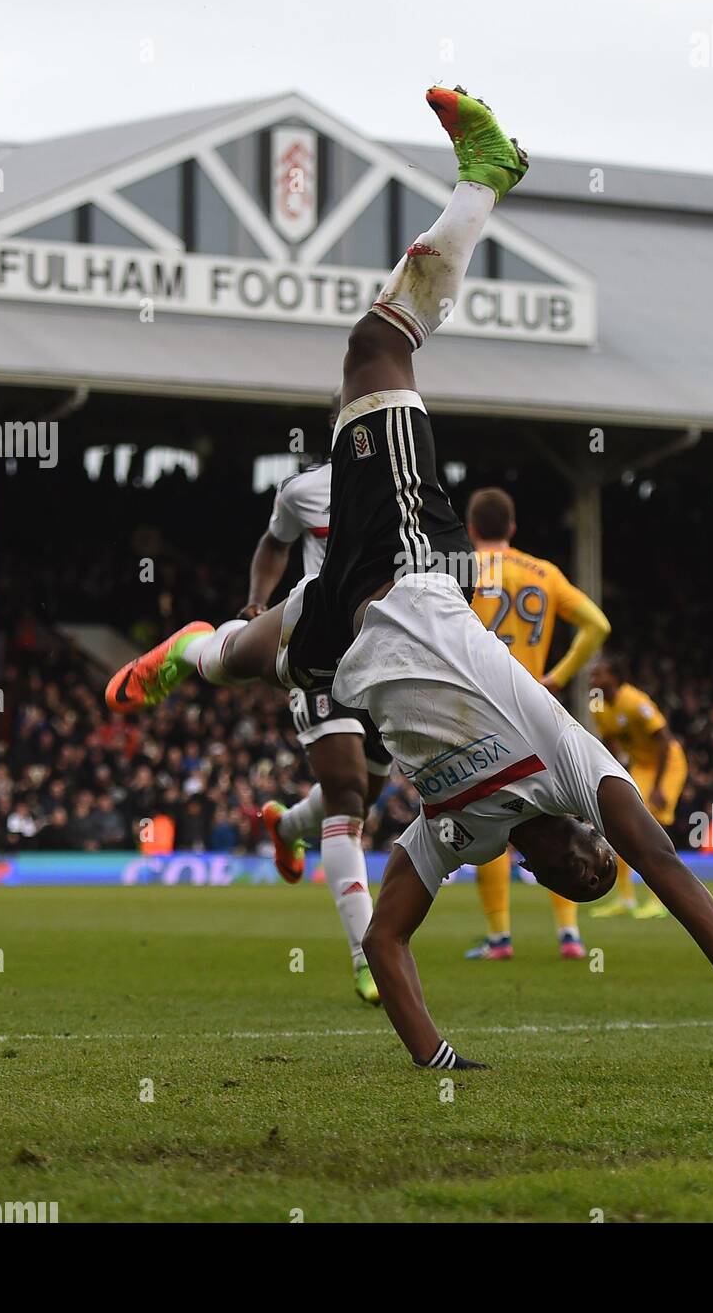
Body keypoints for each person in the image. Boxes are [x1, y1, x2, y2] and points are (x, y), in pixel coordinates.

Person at [106, 85, 713, 1067]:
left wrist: (438, 1060)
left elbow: (386, 937)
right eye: (595, 863)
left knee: (238, 658)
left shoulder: (464, 833)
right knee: (375, 346)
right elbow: (657, 854)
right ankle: (485, 177)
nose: (596, 858)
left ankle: (189, 650)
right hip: (404, 568)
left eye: (584, 873)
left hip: (343, 632)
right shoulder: (571, 762)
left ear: (561, 868)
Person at [242, 409, 390, 1006]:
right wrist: (257, 604)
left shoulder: (405, 490)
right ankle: (367, 957)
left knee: (365, 796)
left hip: (384, 657)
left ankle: (289, 824)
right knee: (350, 796)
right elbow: (272, 545)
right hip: (320, 653)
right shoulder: (303, 491)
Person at [463, 486, 611, 960]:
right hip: (535, 705)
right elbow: (597, 625)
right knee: (557, 817)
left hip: (482, 707)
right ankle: (569, 934)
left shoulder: (463, 567)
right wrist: (558, 676)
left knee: (488, 819)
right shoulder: (542, 572)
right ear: (511, 529)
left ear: (471, 529)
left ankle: (499, 937)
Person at [589, 653, 687, 919]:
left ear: (614, 677)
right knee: (622, 822)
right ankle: (626, 899)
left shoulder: (636, 702)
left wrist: (658, 787)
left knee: (653, 824)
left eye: (598, 674)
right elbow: (610, 744)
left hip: (667, 763)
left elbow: (665, 740)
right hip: (641, 765)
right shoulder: (597, 706)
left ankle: (659, 900)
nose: (592, 678)